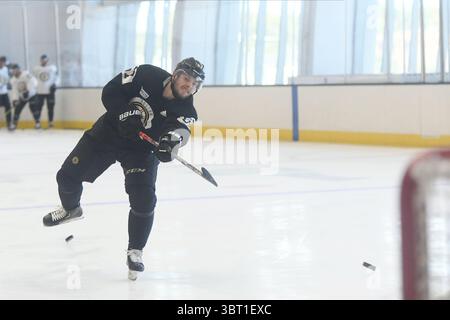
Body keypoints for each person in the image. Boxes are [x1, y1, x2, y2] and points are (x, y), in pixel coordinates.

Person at [42, 58, 205, 280]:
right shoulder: (146, 74)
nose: (189, 86)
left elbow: (179, 131)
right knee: (67, 177)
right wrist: (125, 114)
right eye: (187, 79)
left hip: (141, 151)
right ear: (176, 75)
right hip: (107, 135)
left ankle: (135, 251)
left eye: (195, 84)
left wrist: (168, 144)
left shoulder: (187, 110)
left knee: (144, 200)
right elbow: (110, 91)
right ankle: (71, 209)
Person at [9, 64, 40, 130]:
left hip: (31, 95)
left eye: (14, 70)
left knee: (33, 107)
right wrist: (15, 99)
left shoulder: (26, 74)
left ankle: (37, 124)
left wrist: (28, 91)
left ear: (18, 69)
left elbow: (34, 82)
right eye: (12, 71)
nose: (13, 72)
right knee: (17, 109)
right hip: (22, 96)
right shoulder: (13, 80)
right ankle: (14, 125)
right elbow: (15, 90)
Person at [33, 54, 58, 128]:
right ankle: (37, 123)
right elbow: (33, 79)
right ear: (40, 60)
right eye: (42, 60)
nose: (44, 61)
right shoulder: (36, 69)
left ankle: (50, 122)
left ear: (47, 60)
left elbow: (57, 77)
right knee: (38, 108)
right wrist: (34, 87)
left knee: (50, 108)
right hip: (39, 91)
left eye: (45, 60)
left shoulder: (52, 68)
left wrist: (55, 84)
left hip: (50, 91)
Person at [0, 56, 13, 130]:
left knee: (8, 107)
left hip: (4, 93)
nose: (2, 63)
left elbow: (8, 78)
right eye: (1, 62)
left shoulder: (6, 69)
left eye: (3, 62)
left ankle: (9, 123)